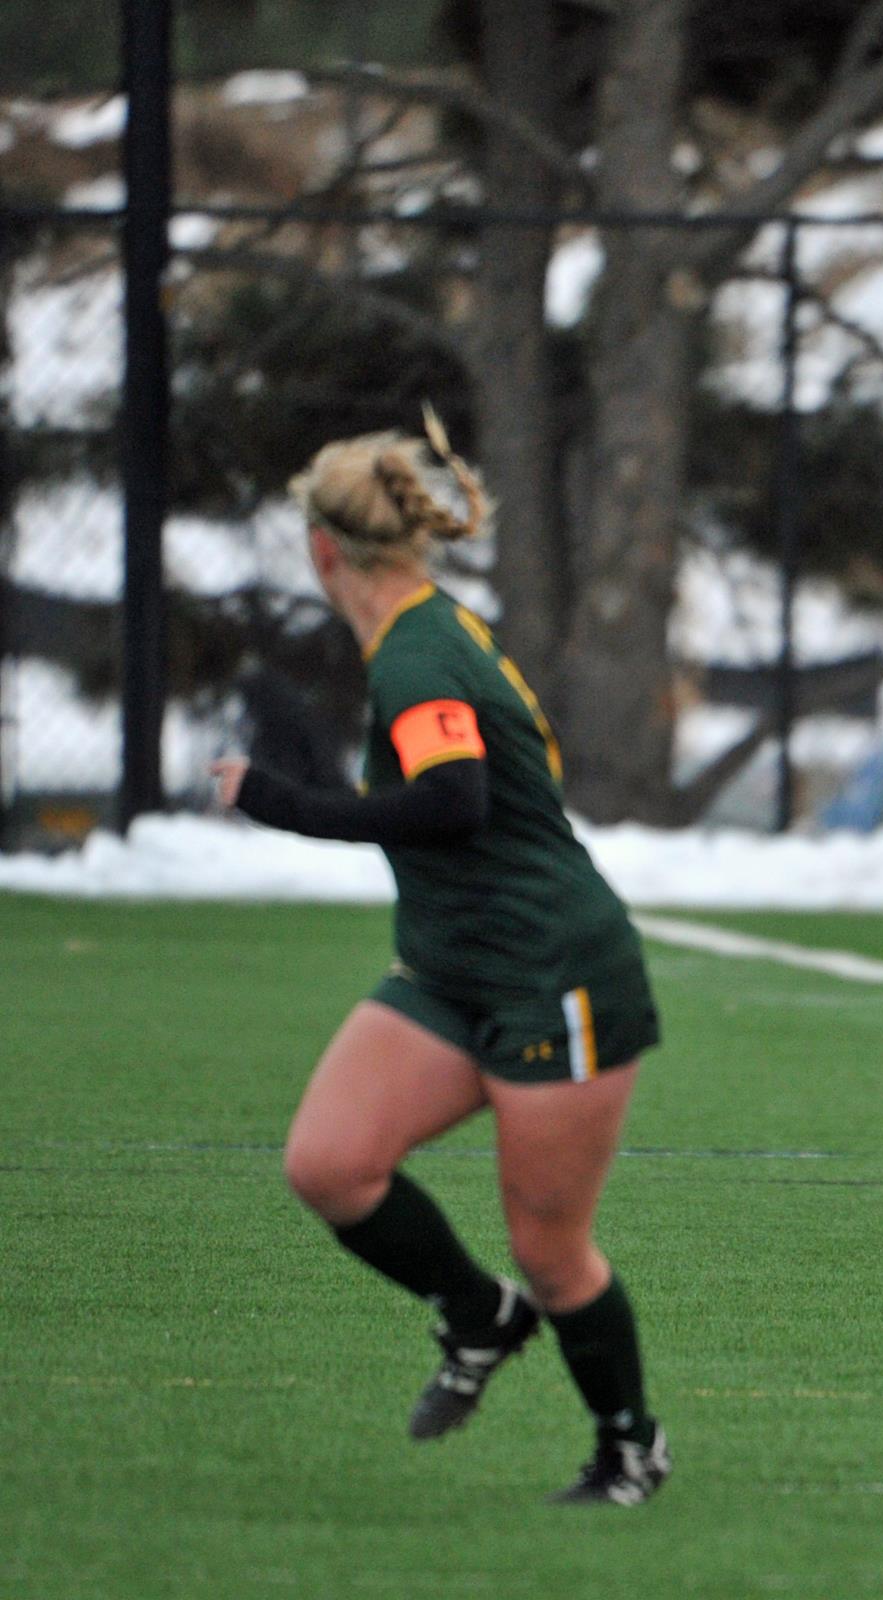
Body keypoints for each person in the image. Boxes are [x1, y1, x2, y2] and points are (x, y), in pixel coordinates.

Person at [212, 410, 670, 1504]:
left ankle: (627, 1448)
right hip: (453, 965)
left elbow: (452, 802)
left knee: (553, 1249)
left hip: (553, 972)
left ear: (324, 551)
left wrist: (284, 802)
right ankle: (476, 1313)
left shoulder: (417, 651)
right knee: (329, 1162)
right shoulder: (418, 631)